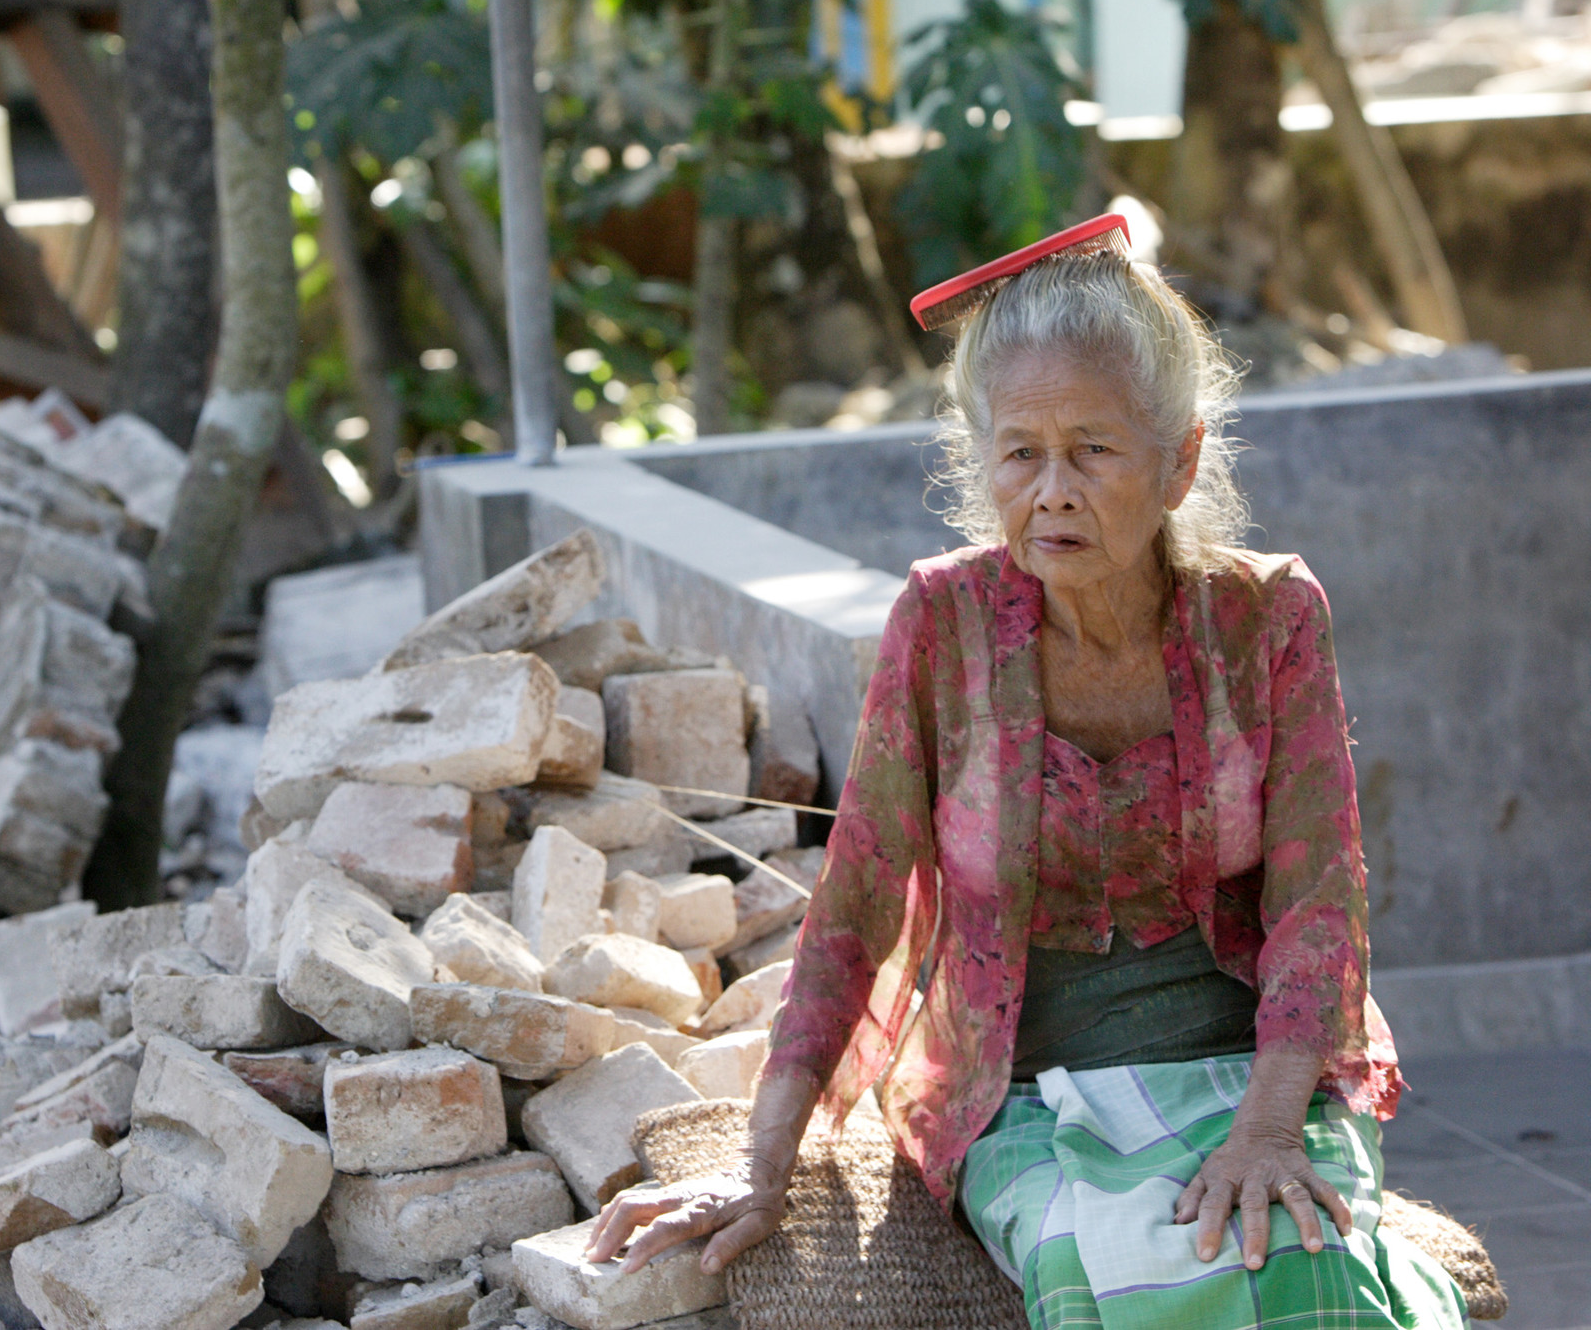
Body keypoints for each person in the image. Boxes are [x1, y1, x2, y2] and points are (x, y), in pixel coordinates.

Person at [584, 245, 1469, 1328]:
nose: (1049, 490)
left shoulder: (1265, 618)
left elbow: (1316, 902)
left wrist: (1270, 1128)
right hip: (1023, 1090)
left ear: (1178, 462)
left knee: (1291, 1256)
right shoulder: (942, 626)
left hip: (1256, 1066)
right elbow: (854, 905)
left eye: (1091, 450)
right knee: (1112, 1276)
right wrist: (761, 1164)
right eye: (1018, 452)